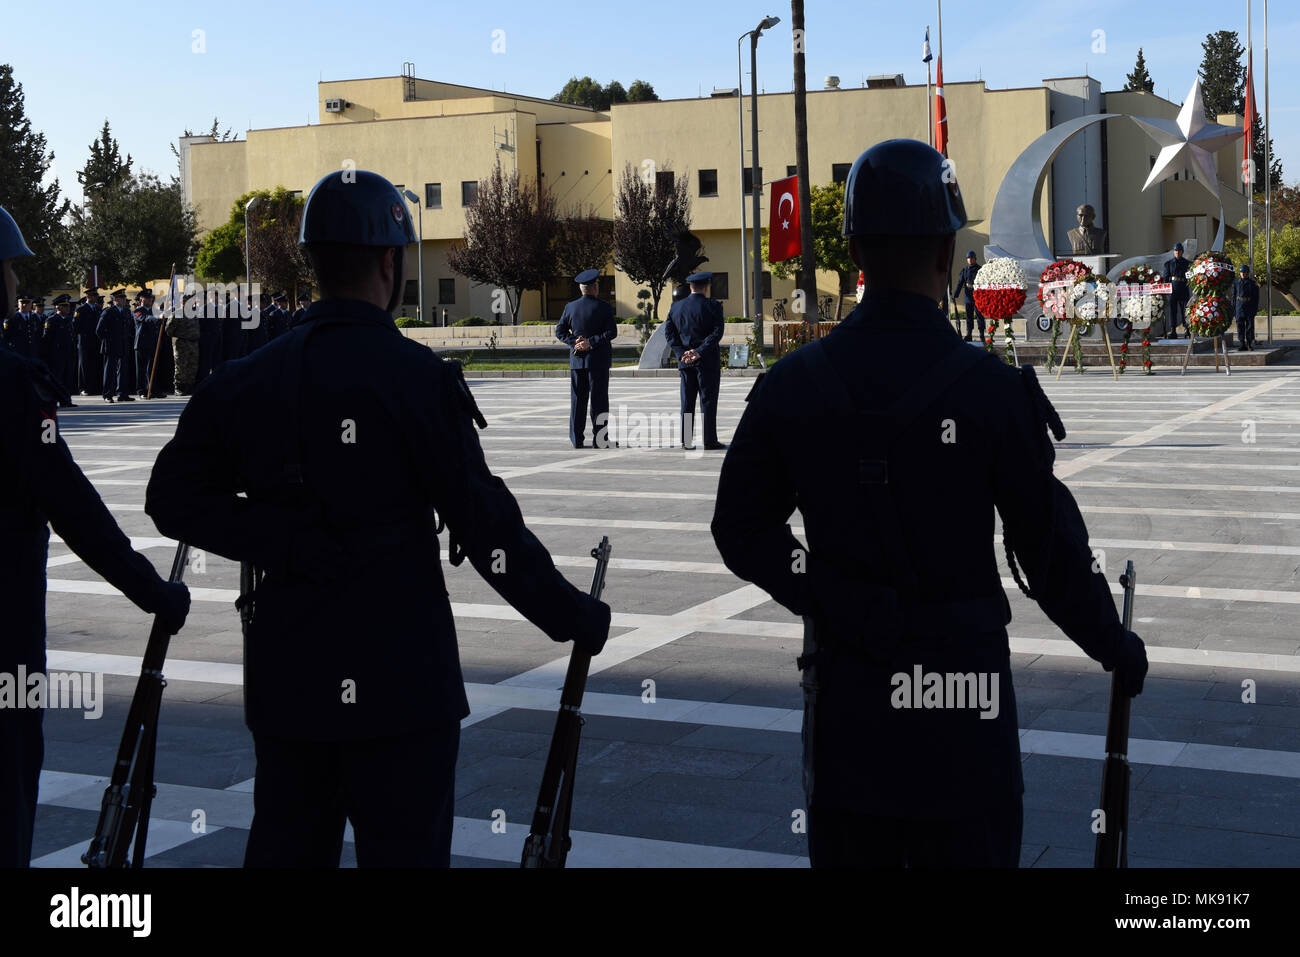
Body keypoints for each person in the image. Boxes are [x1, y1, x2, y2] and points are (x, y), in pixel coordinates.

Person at [144, 169, 610, 868]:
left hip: (291, 675)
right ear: (389, 263)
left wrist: (283, 539)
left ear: (313, 264)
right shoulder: (416, 378)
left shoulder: (247, 379)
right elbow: (485, 530)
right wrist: (570, 612)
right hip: (401, 681)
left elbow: (169, 497)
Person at [710, 138, 1149, 869]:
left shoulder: (793, 385)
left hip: (852, 715)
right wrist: (1112, 641)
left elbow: (741, 527)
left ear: (854, 249)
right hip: (964, 722)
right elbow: (1048, 550)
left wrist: (826, 592)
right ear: (948, 252)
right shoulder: (991, 390)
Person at [0, 204, 190, 867]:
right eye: (9, 271)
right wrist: (153, 592)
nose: (17, 285)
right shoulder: (13, 389)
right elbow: (74, 511)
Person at [663, 271, 726, 450]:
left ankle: (687, 440)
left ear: (690, 287)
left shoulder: (676, 307)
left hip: (685, 361)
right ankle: (709, 440)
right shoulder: (713, 306)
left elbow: (669, 334)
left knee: (687, 400)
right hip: (706, 360)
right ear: (706, 287)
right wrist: (698, 352)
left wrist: (681, 352)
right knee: (708, 400)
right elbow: (717, 332)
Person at [556, 269, 618, 449]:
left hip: (577, 361)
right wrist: (590, 343)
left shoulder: (570, 307)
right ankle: (601, 440)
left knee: (577, 401)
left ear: (581, 289)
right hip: (597, 361)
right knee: (599, 401)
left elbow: (560, 331)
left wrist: (575, 342)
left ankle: (576, 439)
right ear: (594, 288)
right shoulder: (604, 307)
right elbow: (611, 333)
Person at [96, 289, 135, 402]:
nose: (123, 300)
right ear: (115, 300)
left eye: (124, 298)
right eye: (121, 298)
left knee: (123, 370)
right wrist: (108, 341)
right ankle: (107, 394)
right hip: (111, 346)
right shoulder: (108, 312)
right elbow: (99, 330)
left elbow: (129, 328)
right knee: (110, 371)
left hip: (123, 345)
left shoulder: (126, 311)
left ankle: (122, 394)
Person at [41, 294, 77, 407]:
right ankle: (54, 400)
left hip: (68, 353)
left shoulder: (68, 320)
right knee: (57, 378)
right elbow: (46, 340)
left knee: (68, 378)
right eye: (65, 306)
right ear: (58, 307)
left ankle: (66, 400)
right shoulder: (51, 320)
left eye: (68, 306)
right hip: (56, 355)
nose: (68, 308)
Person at [73, 290, 103, 396]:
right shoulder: (81, 310)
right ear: (88, 296)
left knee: (95, 364)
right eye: (94, 296)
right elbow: (75, 326)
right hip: (84, 342)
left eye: (96, 296)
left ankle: (94, 387)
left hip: (95, 341)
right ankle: (84, 387)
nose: (96, 298)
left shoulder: (98, 309)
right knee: (84, 365)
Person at [950, 250, 984, 342]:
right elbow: (960, 283)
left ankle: (981, 334)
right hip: (968, 296)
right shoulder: (965, 270)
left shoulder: (980, 269)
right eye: (968, 258)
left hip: (977, 296)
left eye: (971, 258)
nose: (970, 260)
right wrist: (955, 294)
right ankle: (969, 334)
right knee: (969, 316)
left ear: (975, 259)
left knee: (979, 316)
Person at [1162, 242, 1191, 339]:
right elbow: (1166, 278)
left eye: (1179, 251)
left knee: (1185, 311)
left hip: (1183, 288)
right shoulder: (1168, 264)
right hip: (1172, 289)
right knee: (1172, 311)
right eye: (1175, 251)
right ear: (1173, 252)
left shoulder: (1187, 263)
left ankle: (1187, 329)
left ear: (1182, 252)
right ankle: (1173, 330)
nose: (1177, 252)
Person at [1233, 263, 1260, 352]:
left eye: (1245, 272)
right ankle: (1242, 344)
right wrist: (1234, 309)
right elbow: (1234, 296)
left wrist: (1255, 309)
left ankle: (1249, 343)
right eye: (1242, 272)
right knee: (1240, 326)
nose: (1243, 274)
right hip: (1239, 306)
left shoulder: (1253, 284)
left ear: (1248, 273)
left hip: (1249, 306)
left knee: (1249, 326)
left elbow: (1256, 298)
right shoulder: (1236, 283)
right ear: (1240, 273)